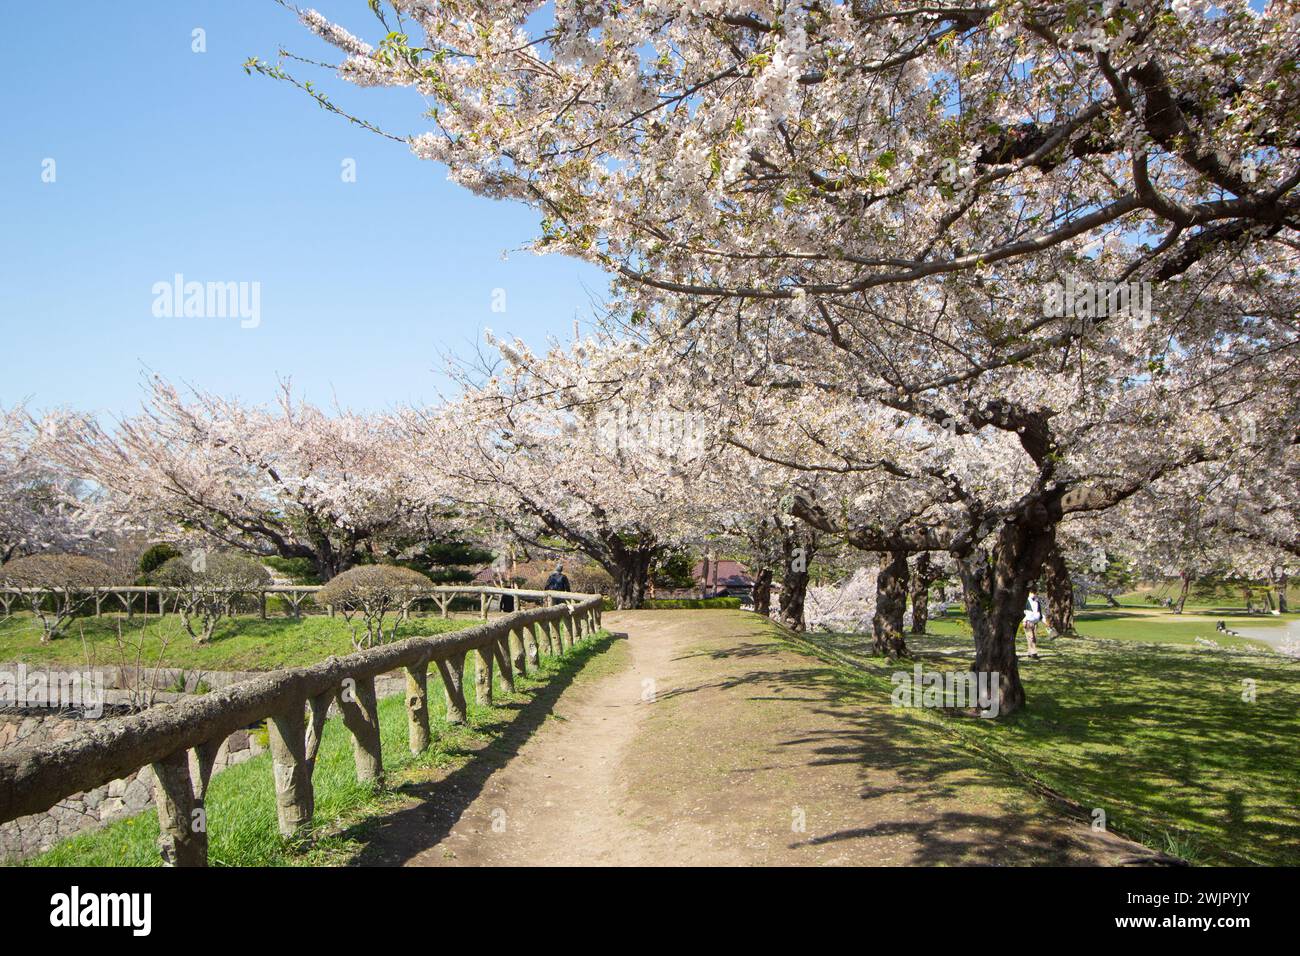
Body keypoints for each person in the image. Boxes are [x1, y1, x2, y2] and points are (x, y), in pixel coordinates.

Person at [1023, 589, 1043, 659]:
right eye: (1032, 592)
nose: (1034, 594)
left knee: (1033, 638)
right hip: (1028, 621)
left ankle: (1029, 652)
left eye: (1035, 593)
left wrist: (1042, 619)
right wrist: (1024, 621)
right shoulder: (1026, 601)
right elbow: (1024, 612)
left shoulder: (1037, 602)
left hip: (1035, 622)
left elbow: (1039, 612)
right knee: (1031, 637)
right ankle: (1034, 652)